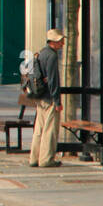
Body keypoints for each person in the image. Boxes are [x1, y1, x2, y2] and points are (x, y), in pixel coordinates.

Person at [29, 28, 64, 167]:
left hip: (40, 97)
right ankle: (46, 159)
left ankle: (34, 158)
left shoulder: (41, 53)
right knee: (50, 130)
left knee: (39, 130)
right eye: (60, 41)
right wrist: (57, 101)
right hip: (49, 98)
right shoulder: (52, 56)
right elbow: (53, 80)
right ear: (54, 42)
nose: (62, 43)